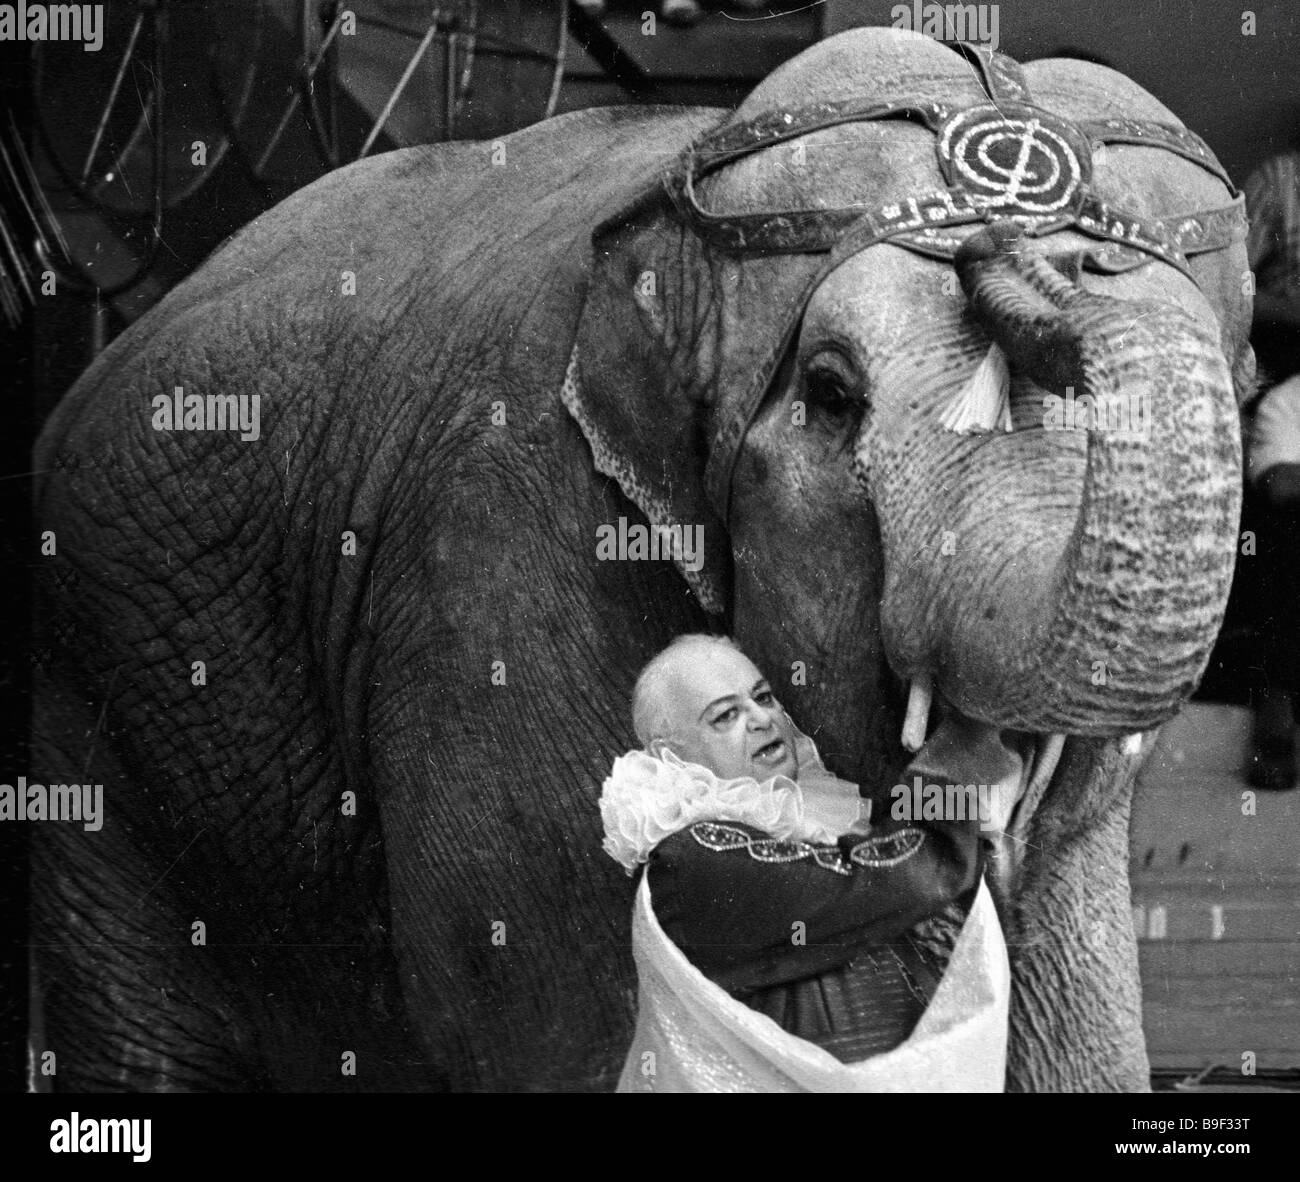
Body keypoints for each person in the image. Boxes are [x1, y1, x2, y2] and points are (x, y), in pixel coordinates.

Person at [599, 634, 1011, 1092]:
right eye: (725, 715)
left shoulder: (796, 820)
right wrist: (969, 737)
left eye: (763, 697)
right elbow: (908, 874)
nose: (761, 719)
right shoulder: (691, 861)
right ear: (671, 757)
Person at [1241, 144, 1300, 789]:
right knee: (1282, 526)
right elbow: (1233, 293)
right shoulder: (1280, 182)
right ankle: (1274, 700)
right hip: (1279, 370)